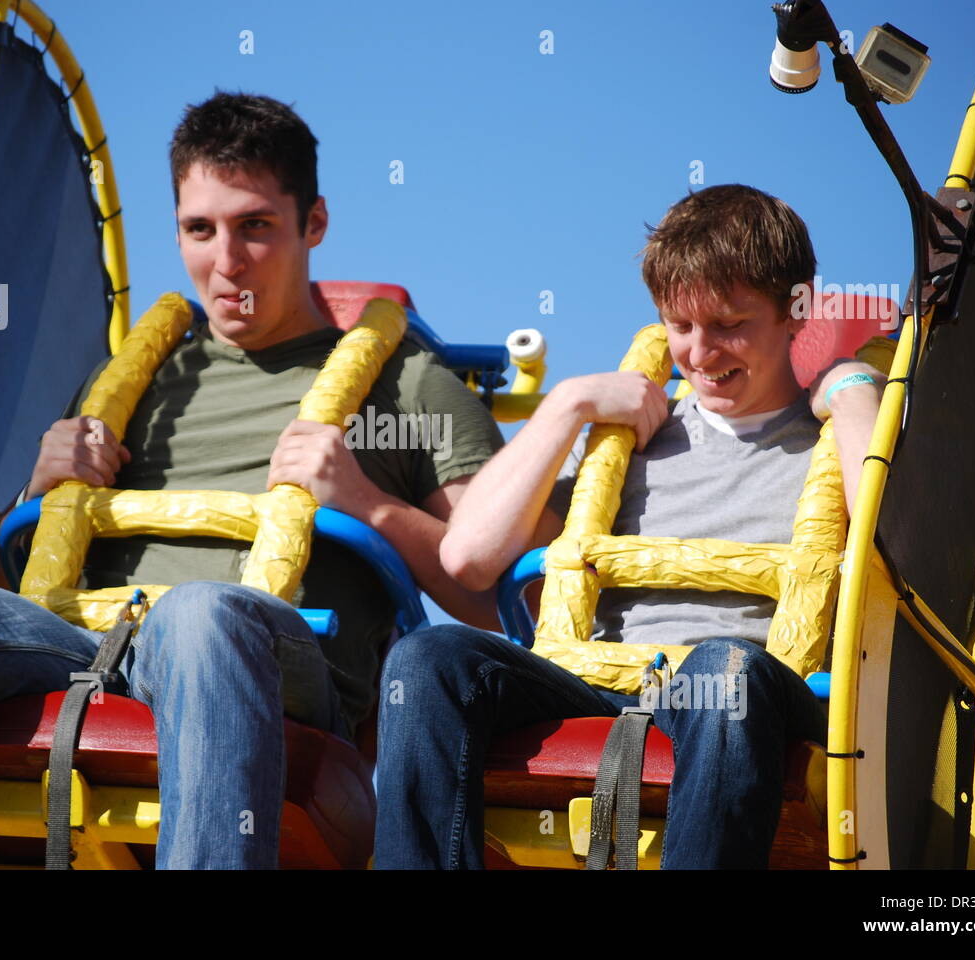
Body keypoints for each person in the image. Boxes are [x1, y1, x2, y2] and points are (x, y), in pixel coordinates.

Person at [0, 92, 503, 870]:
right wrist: (34, 498)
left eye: (256, 227)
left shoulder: (409, 385)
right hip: (89, 642)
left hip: (266, 656)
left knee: (198, 615)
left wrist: (367, 502)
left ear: (314, 224)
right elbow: (13, 584)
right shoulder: (130, 381)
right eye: (198, 230)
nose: (227, 262)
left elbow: (493, 592)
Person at [373, 184, 885, 869]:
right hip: (602, 678)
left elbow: (891, 553)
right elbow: (468, 556)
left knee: (725, 667)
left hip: (743, 691)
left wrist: (855, 393)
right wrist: (567, 405)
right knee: (427, 659)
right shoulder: (626, 437)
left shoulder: (830, 439)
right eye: (680, 327)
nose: (700, 354)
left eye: (729, 324)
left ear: (797, 310)